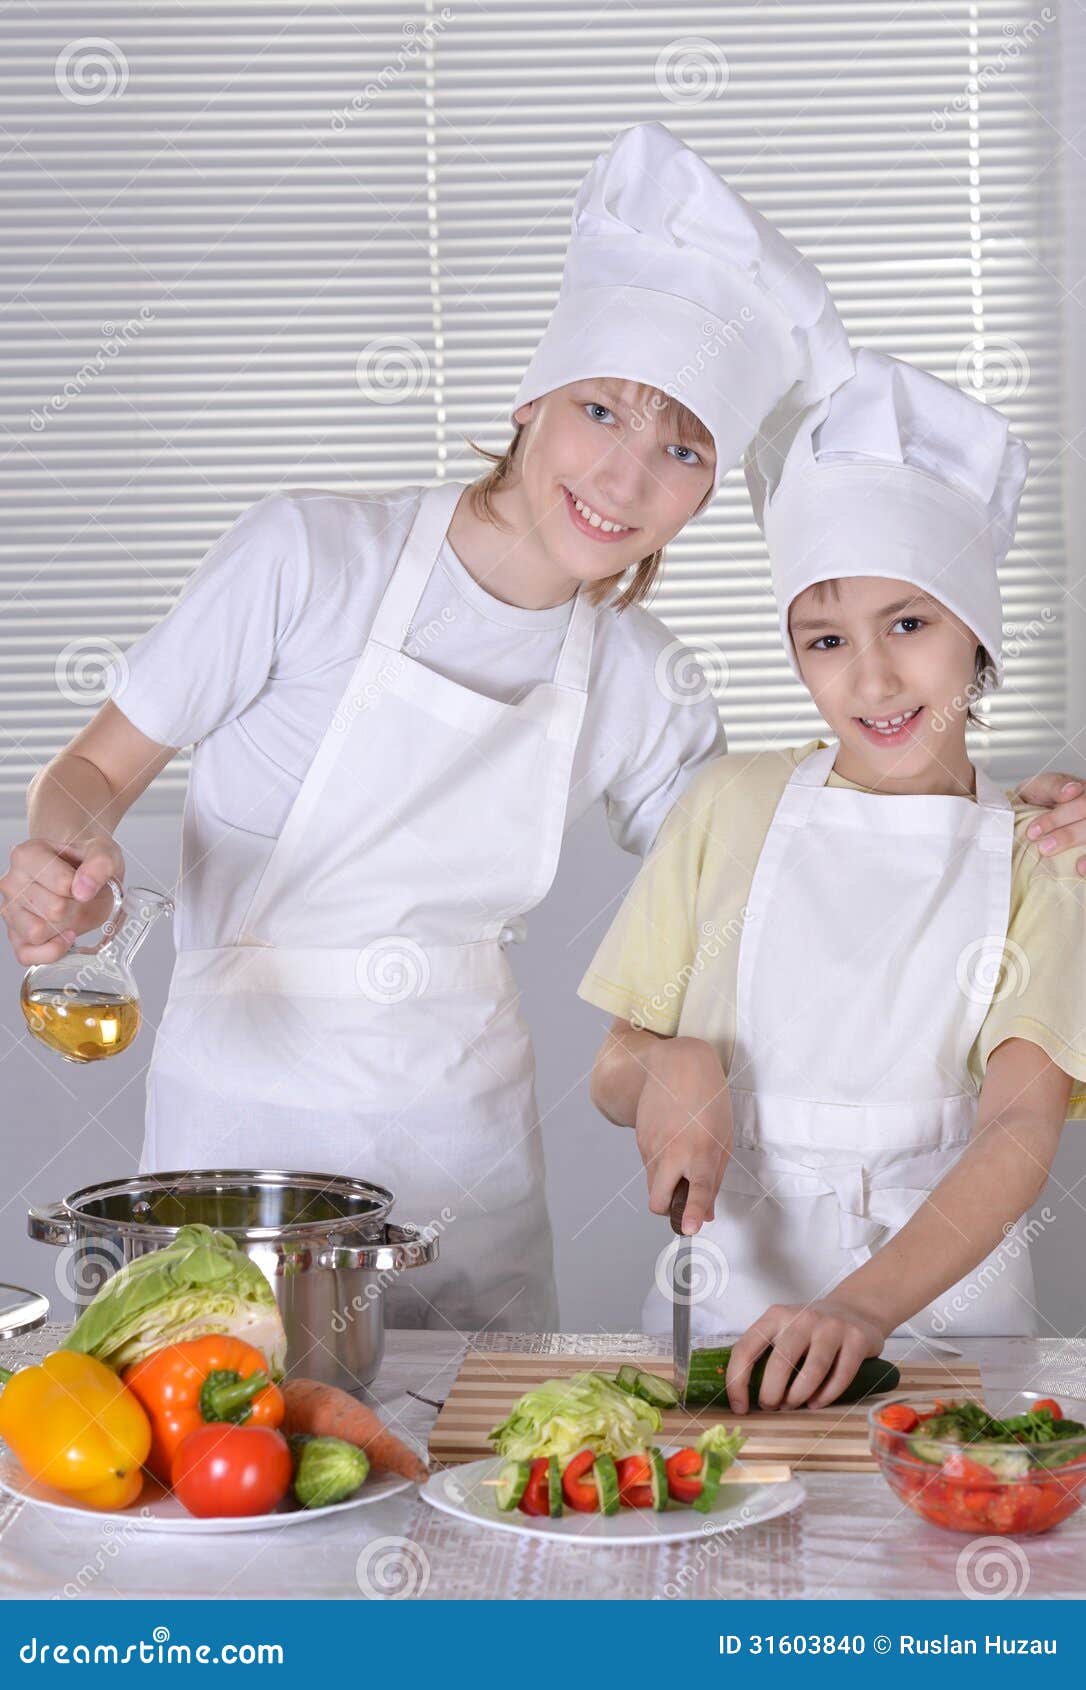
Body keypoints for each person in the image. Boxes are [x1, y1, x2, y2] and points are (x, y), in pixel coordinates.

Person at [0, 121, 860, 1334]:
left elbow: (752, 890)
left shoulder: (644, 679)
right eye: (601, 410)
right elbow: (92, 769)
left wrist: (987, 811)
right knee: (240, 1418)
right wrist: (67, 849)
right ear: (532, 396)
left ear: (707, 491)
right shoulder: (307, 558)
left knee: (477, 1440)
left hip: (467, 1159)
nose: (625, 480)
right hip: (242, 1149)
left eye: (681, 449)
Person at [579, 349, 1086, 1408]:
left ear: (978, 629)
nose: (872, 677)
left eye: (911, 622)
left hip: (944, 1318)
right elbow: (614, 1068)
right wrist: (669, 1063)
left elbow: (1019, 1127)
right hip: (730, 1298)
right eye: (824, 639)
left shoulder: (1041, 854)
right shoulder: (728, 807)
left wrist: (862, 1307)